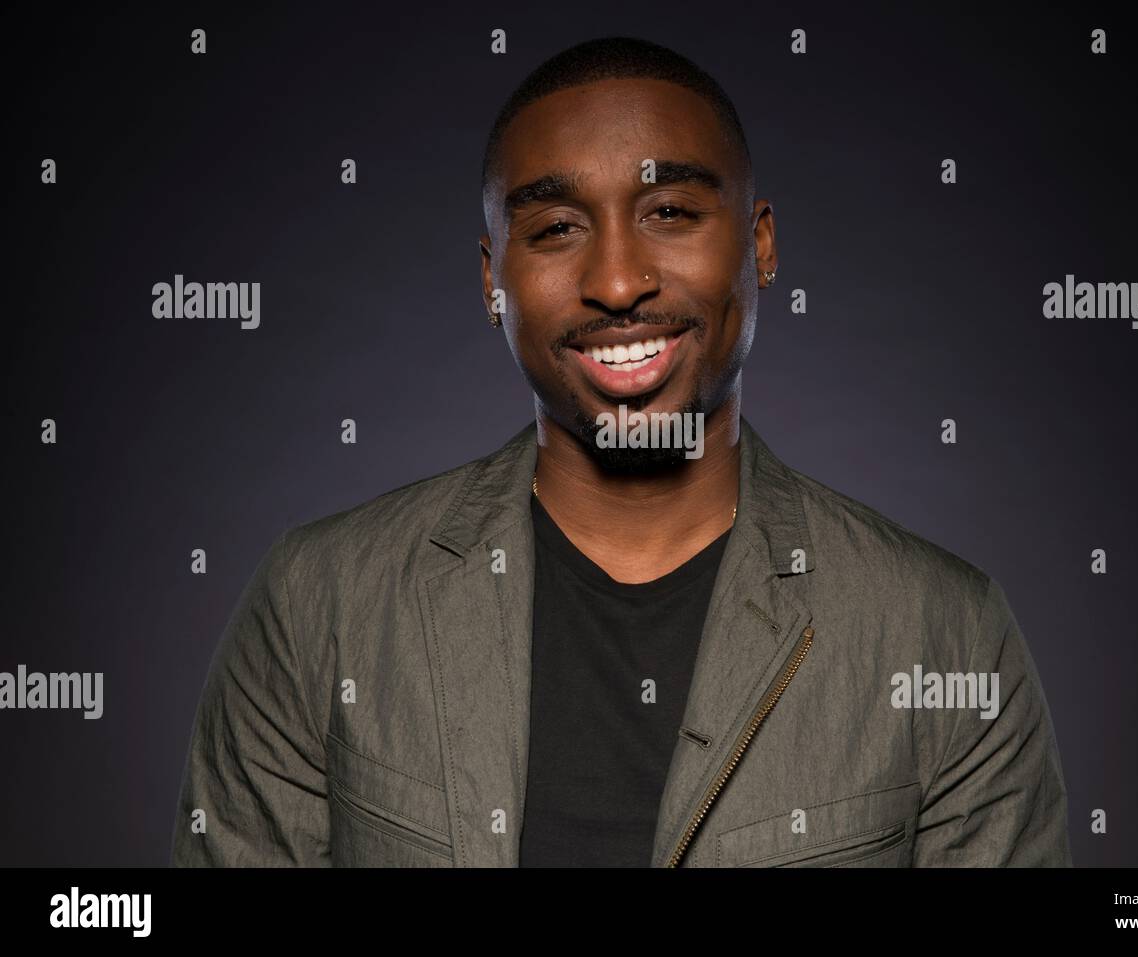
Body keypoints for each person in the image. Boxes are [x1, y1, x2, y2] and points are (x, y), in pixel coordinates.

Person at [170, 35, 1071, 868]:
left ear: (760, 247)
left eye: (671, 211)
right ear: (494, 280)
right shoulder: (318, 602)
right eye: (557, 227)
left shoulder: (944, 633)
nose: (614, 281)